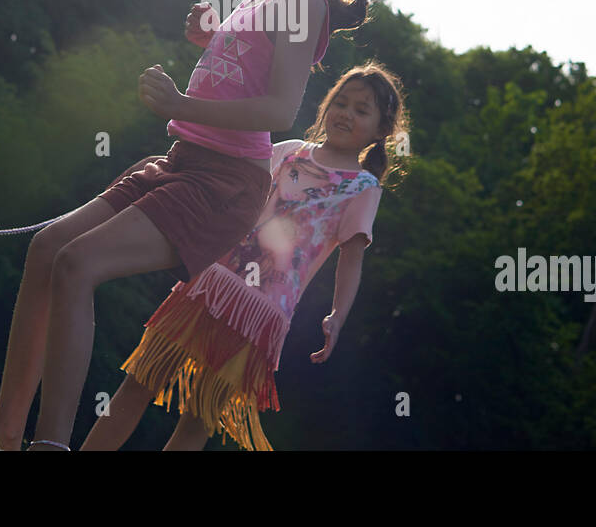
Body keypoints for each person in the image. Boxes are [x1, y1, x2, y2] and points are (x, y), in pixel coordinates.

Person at [0, 0, 390, 451]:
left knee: (76, 265)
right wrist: (211, 38)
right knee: (49, 249)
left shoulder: (307, 1)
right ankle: (3, 431)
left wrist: (180, 104)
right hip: (182, 163)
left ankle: (48, 445)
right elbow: (249, 69)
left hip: (221, 183)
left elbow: (277, 111)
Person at [81, 63, 409, 451]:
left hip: (260, 313)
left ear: (380, 130)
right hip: (211, 284)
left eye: (361, 109)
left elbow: (352, 258)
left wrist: (338, 317)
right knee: (139, 382)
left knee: (198, 419)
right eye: (341, 102)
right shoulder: (287, 153)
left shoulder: (363, 187)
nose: (345, 113)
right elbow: (230, 184)